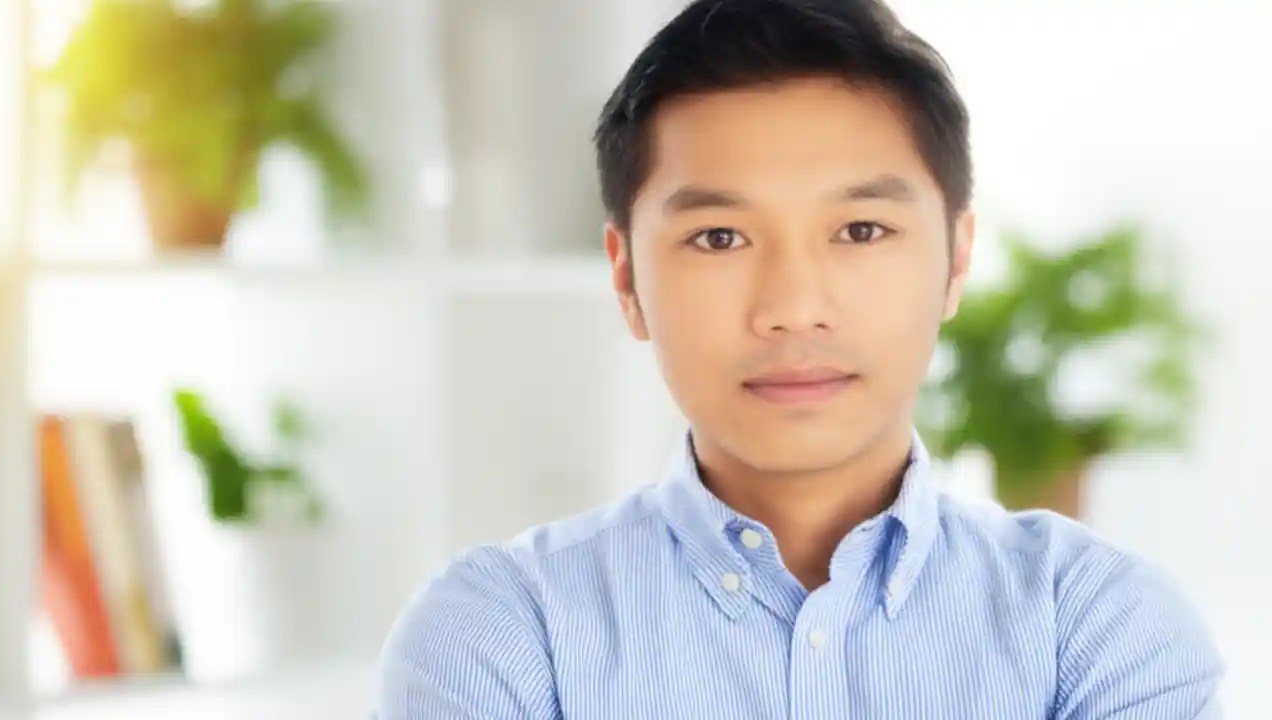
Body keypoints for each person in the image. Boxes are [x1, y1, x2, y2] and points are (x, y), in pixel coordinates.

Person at [376, 0, 1224, 717]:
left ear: (955, 261)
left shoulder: (1099, 629)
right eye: (719, 236)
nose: (792, 308)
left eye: (860, 231)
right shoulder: (503, 637)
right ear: (627, 277)